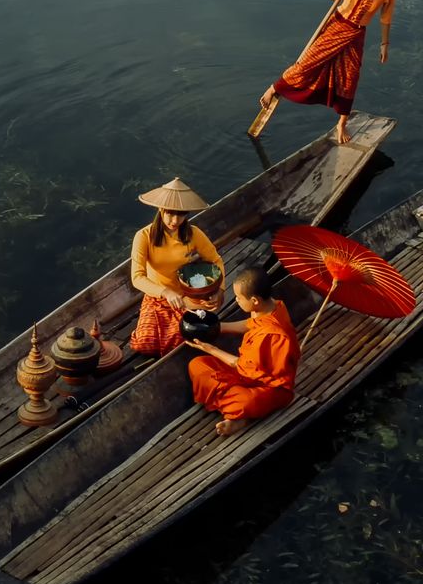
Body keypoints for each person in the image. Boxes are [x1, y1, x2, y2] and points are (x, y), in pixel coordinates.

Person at [259, 0, 408, 145]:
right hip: (336, 25)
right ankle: (274, 88)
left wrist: (385, 44)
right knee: (307, 63)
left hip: (356, 33)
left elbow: (386, 18)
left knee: (350, 77)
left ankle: (341, 124)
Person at [186, 266, 301, 437]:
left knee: (246, 402)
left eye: (239, 298)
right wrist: (216, 327)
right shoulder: (272, 306)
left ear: (254, 300)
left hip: (270, 387)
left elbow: (241, 365)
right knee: (197, 364)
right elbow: (251, 325)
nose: (237, 301)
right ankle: (237, 409)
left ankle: (242, 417)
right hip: (246, 373)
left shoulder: (272, 333)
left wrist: (211, 349)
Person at [129, 177, 224, 358]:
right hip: (157, 295)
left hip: (187, 295)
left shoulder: (193, 233)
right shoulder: (144, 236)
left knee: (189, 334)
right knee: (144, 343)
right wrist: (165, 292)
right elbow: (137, 277)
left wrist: (220, 289)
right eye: (170, 214)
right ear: (161, 210)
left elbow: (216, 260)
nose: (175, 220)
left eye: (180, 215)